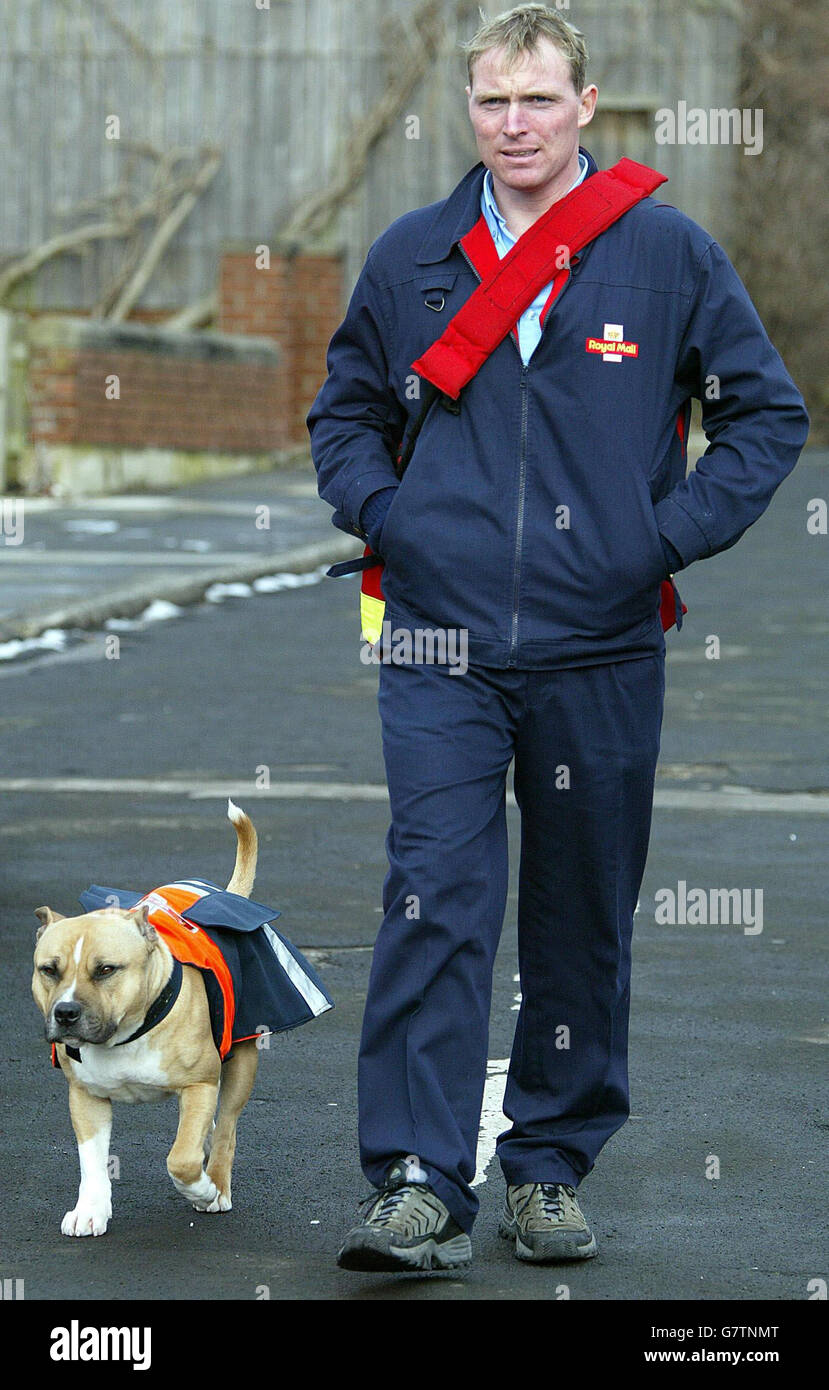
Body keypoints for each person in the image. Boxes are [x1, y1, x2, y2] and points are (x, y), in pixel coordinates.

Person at [307, 3, 809, 1273]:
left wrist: (659, 539)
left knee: (581, 913)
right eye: (491, 101)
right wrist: (394, 515)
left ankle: (544, 1166)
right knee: (435, 896)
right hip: (436, 642)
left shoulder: (667, 255)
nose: (513, 124)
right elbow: (343, 415)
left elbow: (766, 415)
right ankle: (417, 1180)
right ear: (467, 111)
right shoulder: (414, 254)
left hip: (600, 647)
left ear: (587, 105)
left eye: (536, 99)